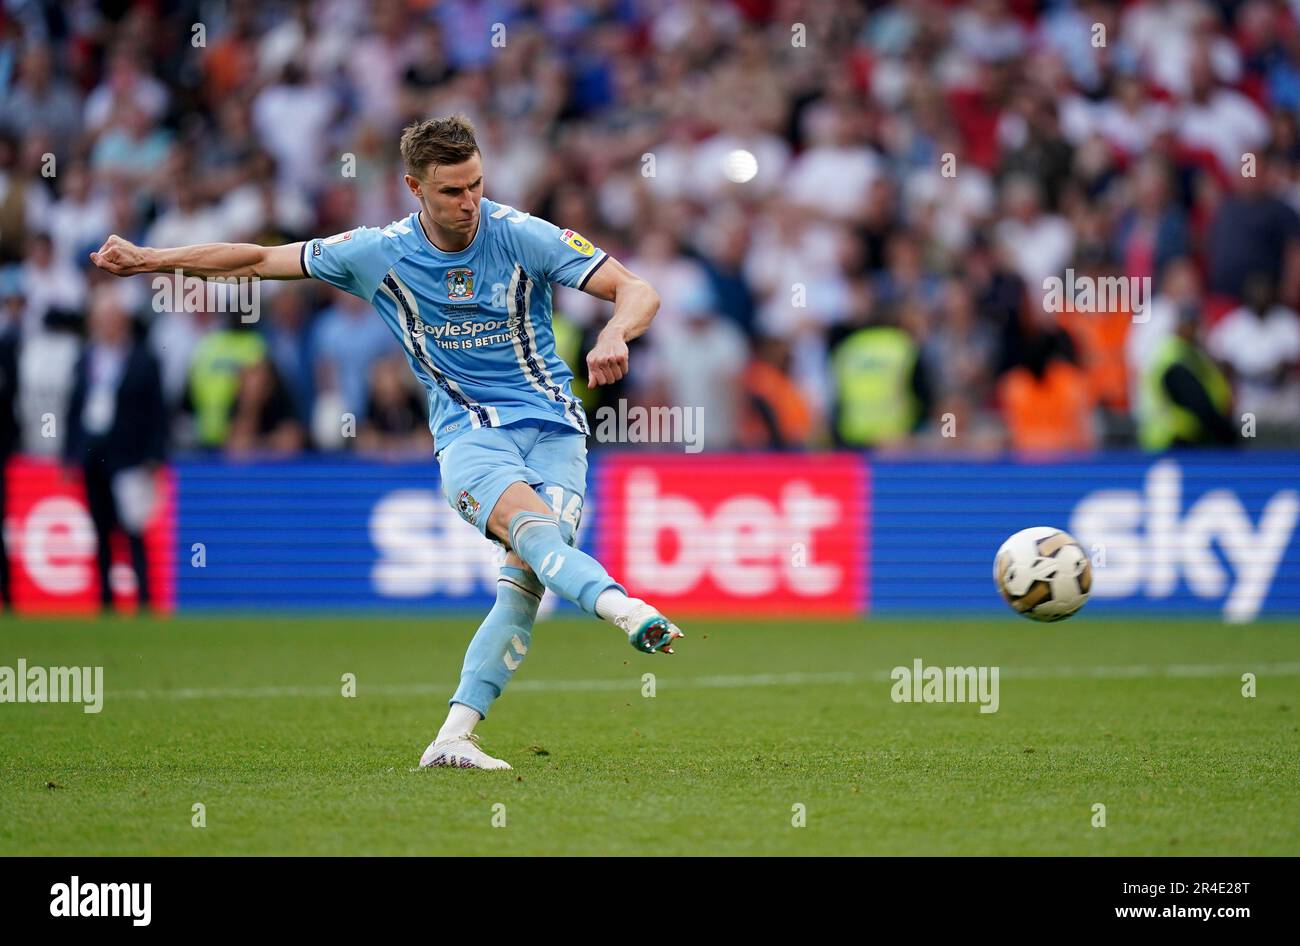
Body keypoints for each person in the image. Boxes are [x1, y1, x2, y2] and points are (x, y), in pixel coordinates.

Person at [89, 113, 680, 770]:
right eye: (452, 192)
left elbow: (637, 288)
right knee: (537, 534)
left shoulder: (521, 234)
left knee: (522, 589)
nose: (469, 203)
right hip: (470, 438)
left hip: (557, 433)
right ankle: (625, 610)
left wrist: (615, 333)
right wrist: (152, 259)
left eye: (476, 185)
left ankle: (454, 736)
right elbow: (258, 259)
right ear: (413, 187)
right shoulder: (376, 251)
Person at [62, 285, 167, 612]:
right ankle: (106, 601)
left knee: (134, 528)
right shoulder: (85, 358)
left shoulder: (143, 358)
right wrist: (70, 454)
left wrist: (153, 454)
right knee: (101, 529)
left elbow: (156, 410)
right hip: (94, 455)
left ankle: (144, 600)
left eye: (113, 317)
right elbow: (73, 408)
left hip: (129, 456)